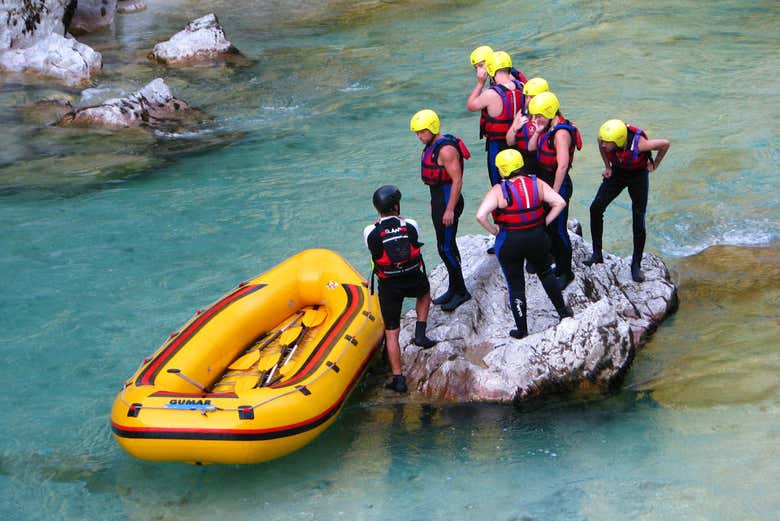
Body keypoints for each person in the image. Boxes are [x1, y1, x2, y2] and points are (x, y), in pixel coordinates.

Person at [475, 149, 573, 339]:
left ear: (503, 170)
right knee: (545, 273)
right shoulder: (537, 183)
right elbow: (560, 203)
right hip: (537, 237)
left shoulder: (498, 190)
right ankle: (563, 312)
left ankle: (522, 330)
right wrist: (544, 222)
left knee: (516, 286)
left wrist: (494, 231)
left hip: (510, 241)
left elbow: (480, 216)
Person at [365, 185, 437, 393]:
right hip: (413, 277)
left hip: (389, 285)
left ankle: (398, 378)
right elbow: (411, 240)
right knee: (424, 292)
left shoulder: (371, 231)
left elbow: (373, 248)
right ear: (396, 205)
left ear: (378, 209)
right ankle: (420, 334)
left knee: (391, 331)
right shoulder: (411, 224)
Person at [584, 119, 671, 282]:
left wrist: (655, 165)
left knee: (638, 217)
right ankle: (597, 254)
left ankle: (636, 264)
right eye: (602, 140)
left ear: (617, 141)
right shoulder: (604, 141)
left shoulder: (640, 145)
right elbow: (600, 145)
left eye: (607, 142)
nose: (603, 144)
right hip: (618, 172)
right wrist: (608, 167)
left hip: (638, 176)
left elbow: (665, 144)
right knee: (595, 208)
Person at [409, 109, 472, 311]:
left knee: (445, 248)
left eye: (422, 132)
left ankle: (461, 291)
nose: (419, 136)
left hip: (448, 202)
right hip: (439, 201)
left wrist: (449, 209)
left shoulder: (445, 150)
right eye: (417, 132)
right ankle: (454, 287)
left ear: (433, 128)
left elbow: (457, 180)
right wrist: (435, 204)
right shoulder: (431, 146)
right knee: (446, 246)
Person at [526, 91, 582, 288]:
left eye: (538, 115)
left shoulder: (561, 133)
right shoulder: (547, 128)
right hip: (545, 181)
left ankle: (567, 272)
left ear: (550, 112)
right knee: (548, 227)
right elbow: (532, 148)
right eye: (533, 116)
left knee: (559, 229)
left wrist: (555, 194)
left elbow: (563, 166)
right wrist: (538, 130)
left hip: (558, 184)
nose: (534, 119)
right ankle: (558, 263)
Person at [466, 50, 526, 187]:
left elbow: (470, 105)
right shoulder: (521, 86)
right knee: (519, 183)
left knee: (498, 185)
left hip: (498, 145)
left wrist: (480, 83)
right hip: (518, 142)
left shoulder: (490, 94)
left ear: (491, 69)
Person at [506, 76, 550, 175]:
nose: (528, 100)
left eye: (532, 97)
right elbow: (509, 142)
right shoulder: (521, 113)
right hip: (524, 163)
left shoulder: (548, 116)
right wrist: (515, 129)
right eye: (526, 97)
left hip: (541, 166)